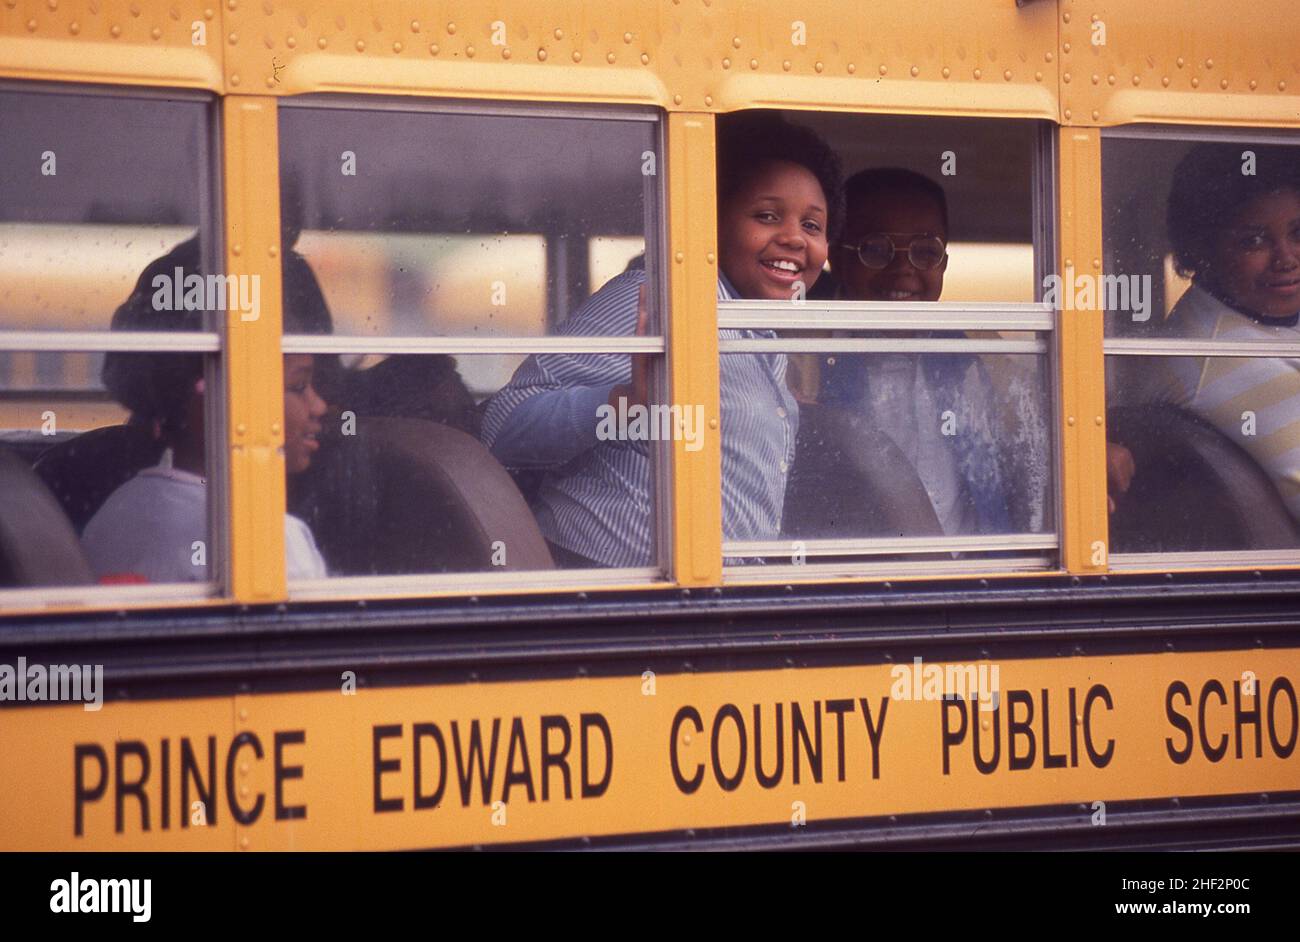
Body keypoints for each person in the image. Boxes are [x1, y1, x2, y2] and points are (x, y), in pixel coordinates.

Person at [481, 113, 843, 567]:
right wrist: (626, 402)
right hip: (611, 590)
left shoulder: (758, 330)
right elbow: (504, 425)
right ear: (711, 221)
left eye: (812, 226)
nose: (793, 237)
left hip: (716, 599)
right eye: (766, 216)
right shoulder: (654, 296)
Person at [82, 238, 331, 582]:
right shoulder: (274, 538)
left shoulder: (116, 511)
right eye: (299, 386)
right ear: (224, 396)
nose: (319, 406)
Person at [819, 168, 1025, 535]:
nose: (903, 269)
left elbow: (1039, 429)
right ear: (836, 256)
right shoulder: (801, 355)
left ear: (944, 263)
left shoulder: (978, 356)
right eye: (876, 249)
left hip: (977, 579)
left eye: (925, 251)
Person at [1118, 143, 1300, 520]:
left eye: (1298, 233)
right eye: (1253, 240)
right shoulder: (1220, 359)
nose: (1285, 258)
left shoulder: (1256, 320)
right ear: (1201, 250)